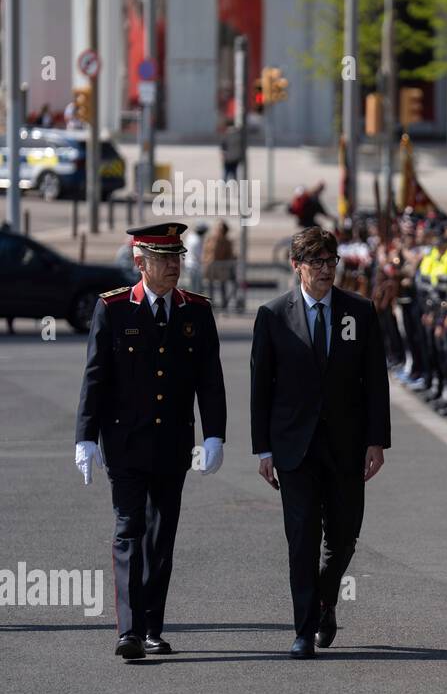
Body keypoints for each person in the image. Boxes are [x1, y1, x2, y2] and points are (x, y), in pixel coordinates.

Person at [74, 222, 227, 660]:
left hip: (173, 443)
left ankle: (152, 627)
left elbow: (209, 380)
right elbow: (95, 377)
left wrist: (214, 433)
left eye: (177, 258)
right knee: (129, 531)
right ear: (139, 262)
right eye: (163, 259)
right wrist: (85, 437)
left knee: (161, 538)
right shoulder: (115, 308)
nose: (173, 266)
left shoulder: (196, 310)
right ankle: (128, 630)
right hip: (124, 441)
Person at [250, 226, 392, 659]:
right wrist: (264, 449)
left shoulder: (359, 312)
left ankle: (326, 599)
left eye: (331, 262)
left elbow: (375, 383)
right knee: (302, 539)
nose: (326, 270)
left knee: (344, 535)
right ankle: (303, 628)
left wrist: (376, 440)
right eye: (317, 263)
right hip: (295, 448)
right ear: (297, 267)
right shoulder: (273, 315)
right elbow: (261, 387)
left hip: (347, 447)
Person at [203, 220, 237, 310]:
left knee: (223, 285)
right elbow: (206, 250)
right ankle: (211, 302)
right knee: (210, 285)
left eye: (221, 229)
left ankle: (223, 304)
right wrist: (205, 260)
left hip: (221, 267)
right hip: (210, 265)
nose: (218, 231)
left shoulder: (227, 242)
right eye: (218, 229)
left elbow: (229, 254)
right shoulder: (211, 239)